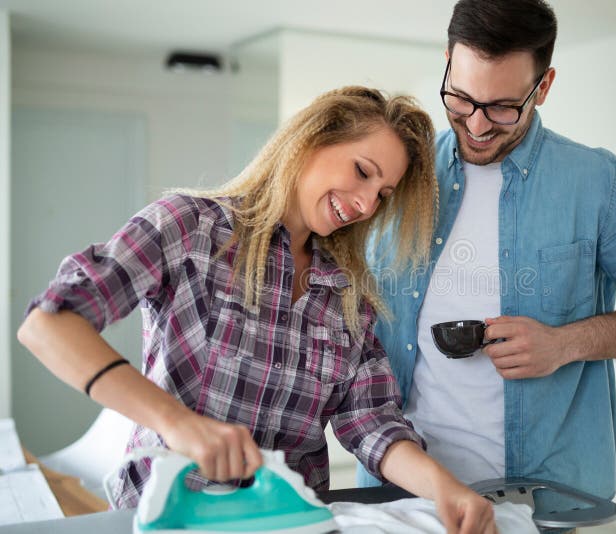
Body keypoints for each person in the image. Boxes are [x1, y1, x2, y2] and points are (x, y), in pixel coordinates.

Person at [17, 86, 496, 533]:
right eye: (362, 172)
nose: (367, 203)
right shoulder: (190, 229)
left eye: (383, 195)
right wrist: (177, 424)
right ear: (312, 140)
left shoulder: (346, 294)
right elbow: (49, 325)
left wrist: (445, 489)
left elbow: (370, 422)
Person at [357, 0, 616, 507]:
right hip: (402, 492)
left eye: (502, 107)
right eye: (461, 98)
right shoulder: (403, 169)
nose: (476, 125)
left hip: (540, 498)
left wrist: (565, 344)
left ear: (544, 86)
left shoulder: (593, 182)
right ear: (447, 60)